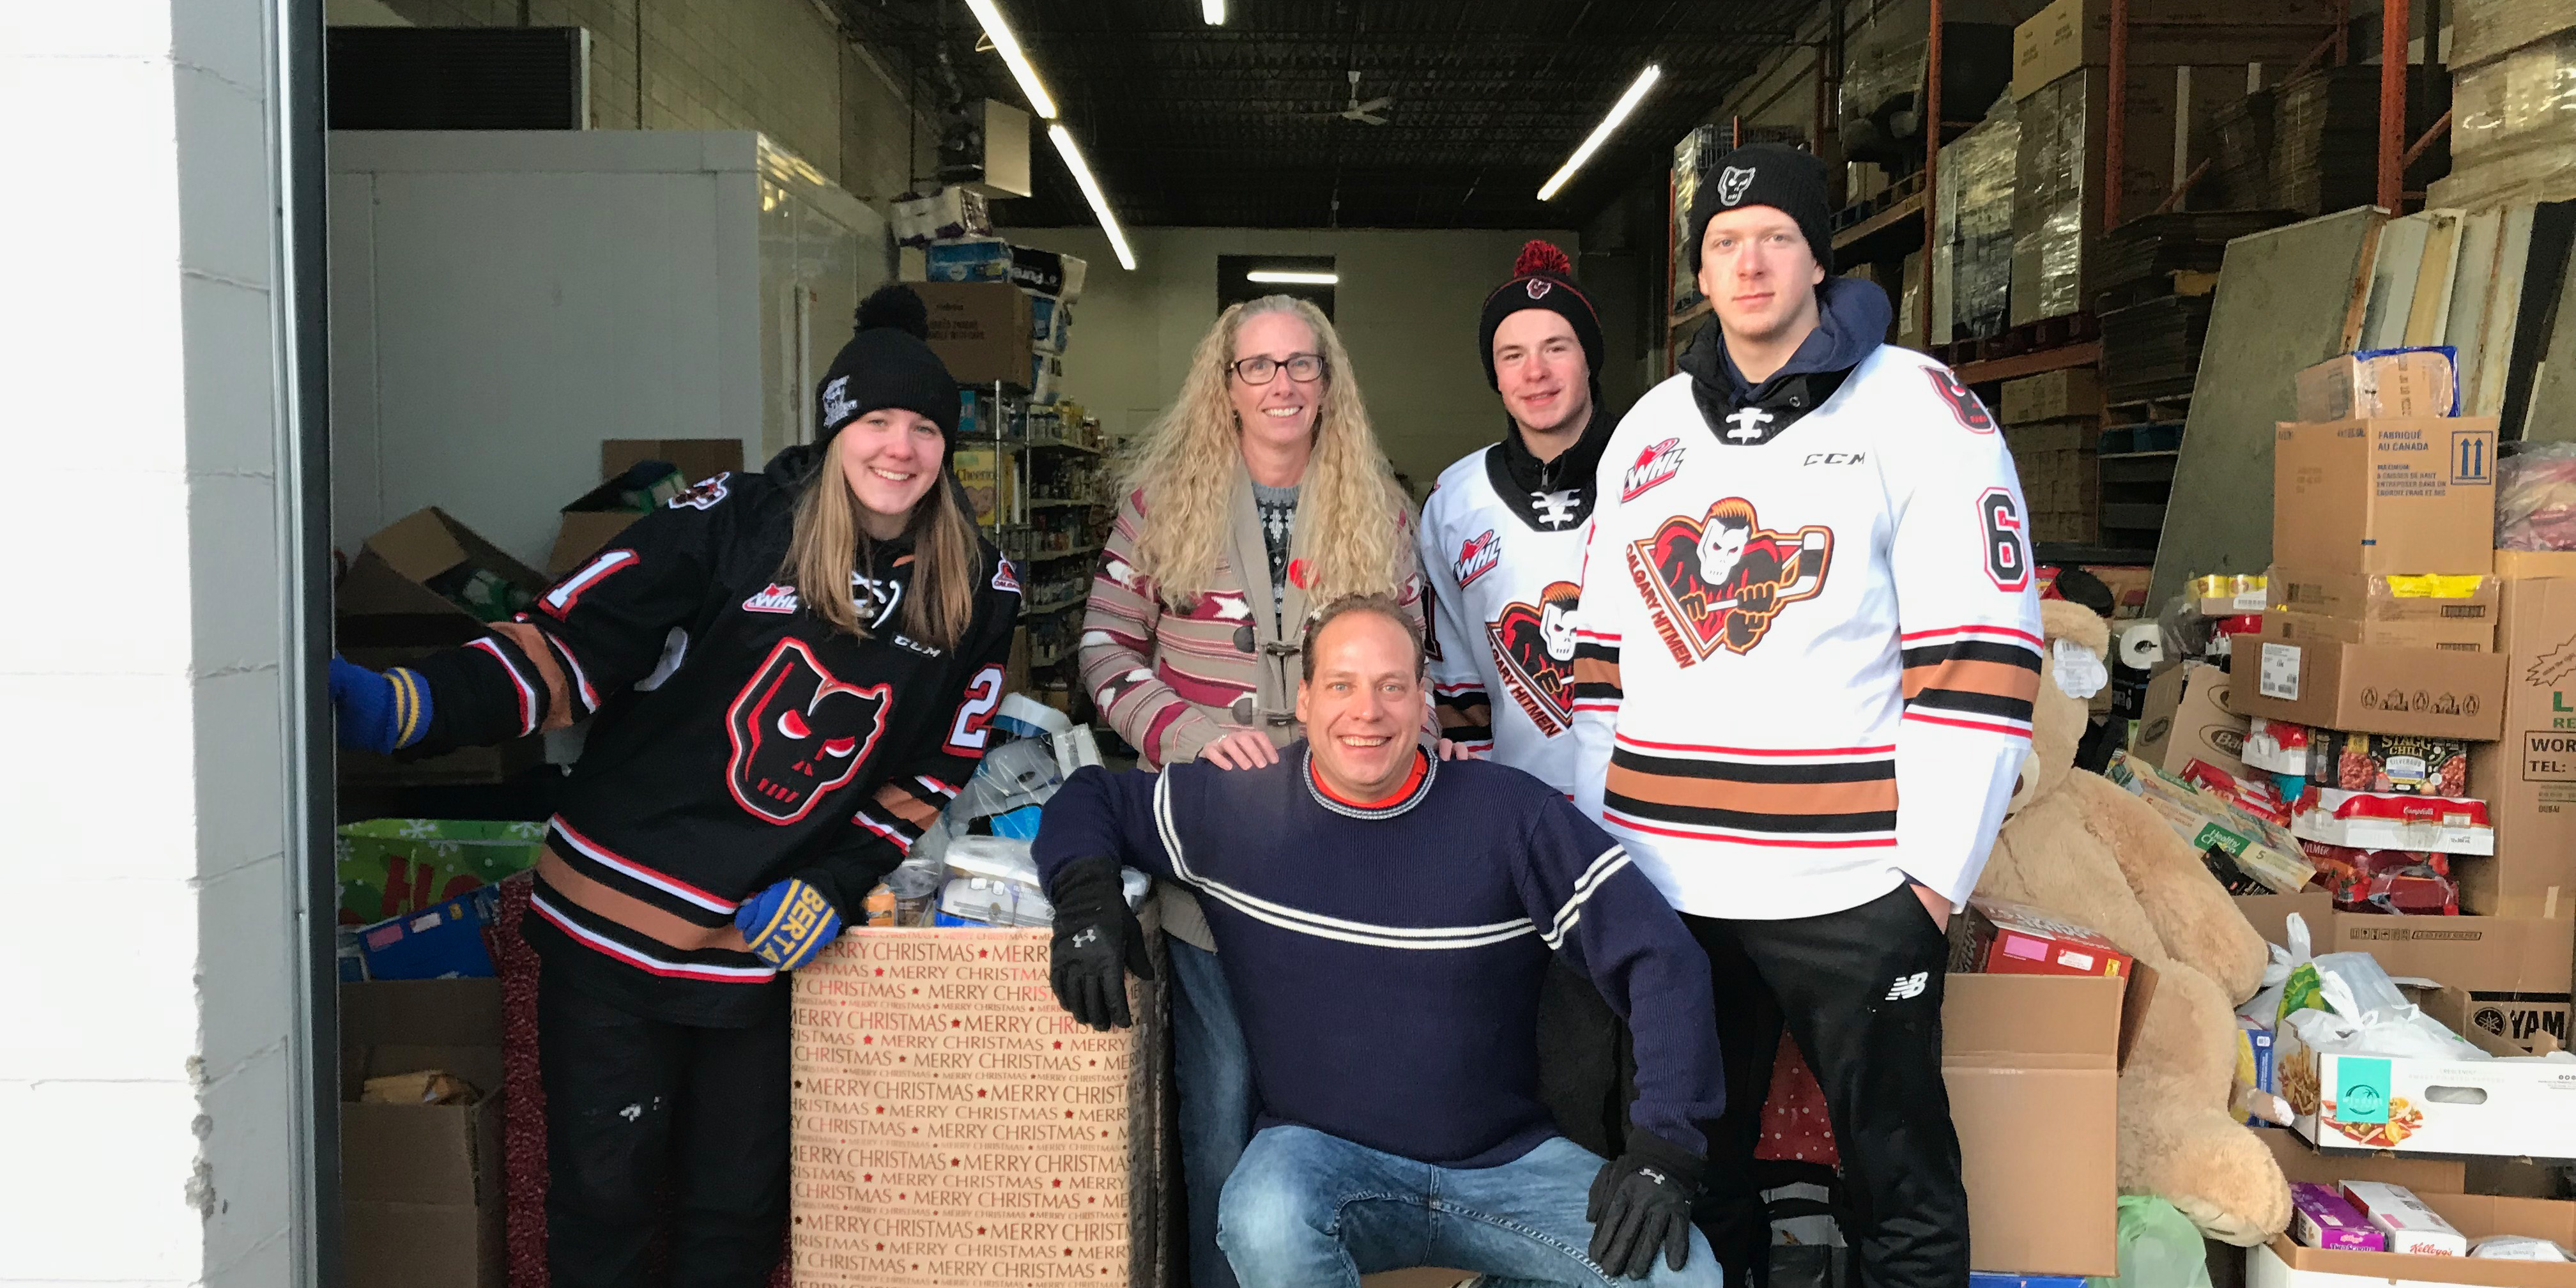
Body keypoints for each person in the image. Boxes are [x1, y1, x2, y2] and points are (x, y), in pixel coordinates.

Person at [325, 286, 1021, 1287]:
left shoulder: (978, 587)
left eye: (924, 429)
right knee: (604, 1211)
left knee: (734, 1219)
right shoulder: (728, 523)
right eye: (875, 421)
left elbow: (935, 766)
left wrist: (834, 879)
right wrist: (412, 704)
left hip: (758, 946)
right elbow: (568, 649)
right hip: (613, 926)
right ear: (834, 428)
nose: (900, 450)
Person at [1568, 142, 2043, 1288]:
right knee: (1696, 1171)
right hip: (1669, 889)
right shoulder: (1649, 429)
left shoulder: (1922, 410)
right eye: (1725, 244)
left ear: (1821, 259)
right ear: (1700, 269)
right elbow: (1599, 668)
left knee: (1898, 1176)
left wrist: (1927, 886)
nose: (1749, 263)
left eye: (1775, 238)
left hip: (1846, 893)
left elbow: (1981, 656)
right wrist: (1606, 856)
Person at [1038, 595, 1729, 1288]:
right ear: (1303, 699)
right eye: (1341, 685)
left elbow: (1661, 959)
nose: (1367, 711)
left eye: (1392, 686)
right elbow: (1089, 798)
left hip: (1507, 1168)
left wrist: (1663, 1153)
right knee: (1262, 1219)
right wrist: (1087, 902)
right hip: (1323, 1166)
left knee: (1688, 1276)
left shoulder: (1510, 815)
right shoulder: (1240, 811)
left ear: (1423, 700)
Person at [1077, 295, 1427, 1288]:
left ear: (1330, 382)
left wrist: (1390, 768)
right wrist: (1184, 733)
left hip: (1343, 862)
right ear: (1223, 385)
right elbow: (1101, 648)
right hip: (1211, 864)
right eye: (1258, 366)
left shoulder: (1380, 506)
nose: (1281, 385)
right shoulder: (1160, 502)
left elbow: (1417, 674)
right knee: (1222, 1106)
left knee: (1334, 1106)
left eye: (1301, 365)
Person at [1420, 238, 1620, 793]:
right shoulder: (1455, 501)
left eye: (1556, 347)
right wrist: (1484, 806)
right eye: (1513, 355)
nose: (1535, 372)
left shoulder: (1658, 472)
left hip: (1652, 817)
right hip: (1521, 815)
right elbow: (1456, 688)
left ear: (1589, 358)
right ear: (1496, 374)